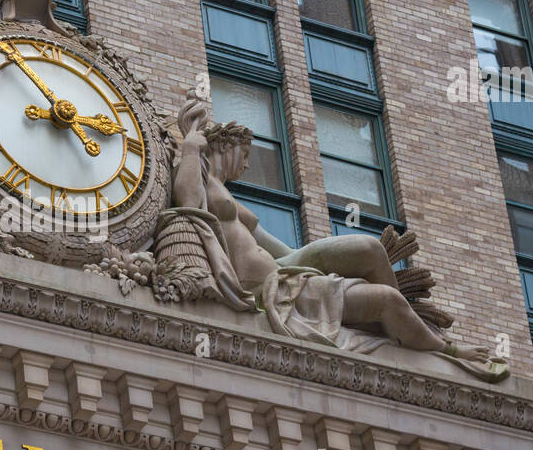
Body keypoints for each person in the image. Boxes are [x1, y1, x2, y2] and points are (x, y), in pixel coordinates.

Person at [169, 92, 503, 376]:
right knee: (387, 296)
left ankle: (417, 333)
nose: (245, 166)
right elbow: (188, 204)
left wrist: (320, 263)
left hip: (287, 271)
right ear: (225, 146)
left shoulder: (226, 195)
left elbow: (271, 245)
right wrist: (190, 148)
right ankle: (447, 351)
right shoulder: (198, 173)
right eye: (244, 156)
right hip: (274, 289)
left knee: (370, 250)